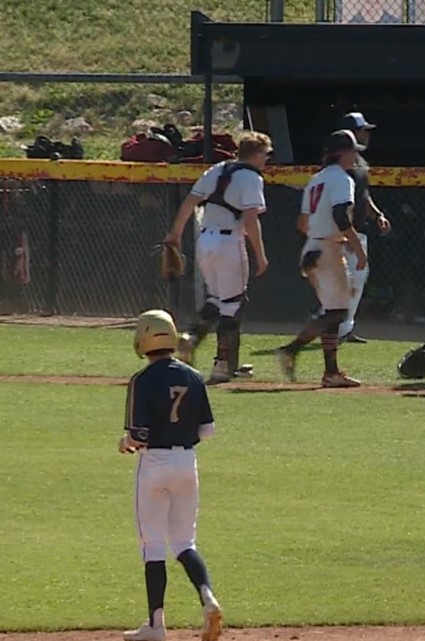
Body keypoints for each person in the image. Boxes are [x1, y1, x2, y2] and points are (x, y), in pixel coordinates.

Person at [120, 310, 223, 641]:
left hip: (155, 466)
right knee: (184, 543)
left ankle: (156, 625)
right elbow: (207, 431)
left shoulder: (142, 379)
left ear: (143, 340)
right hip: (187, 464)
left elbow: (139, 435)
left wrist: (126, 442)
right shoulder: (193, 376)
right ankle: (208, 598)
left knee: (153, 546)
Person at [165, 132, 272, 384]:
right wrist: (261, 254)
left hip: (205, 240)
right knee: (233, 304)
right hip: (229, 241)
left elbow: (190, 201)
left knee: (216, 299)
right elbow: (250, 219)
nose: (267, 159)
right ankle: (222, 365)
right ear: (256, 154)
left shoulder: (218, 169)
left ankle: (191, 337)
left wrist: (175, 234)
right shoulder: (251, 177)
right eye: (266, 154)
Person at [276, 130, 368, 388]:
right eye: (352, 151)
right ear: (341, 153)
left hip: (312, 246)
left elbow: (302, 222)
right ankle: (292, 350)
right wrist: (356, 248)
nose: (355, 156)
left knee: (332, 311)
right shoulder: (342, 179)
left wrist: (319, 237)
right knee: (337, 312)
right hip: (327, 249)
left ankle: (331, 372)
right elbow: (341, 215)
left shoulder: (316, 180)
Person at [327, 112, 392, 344]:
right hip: (342, 233)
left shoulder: (359, 163)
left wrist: (377, 215)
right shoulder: (339, 167)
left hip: (358, 230)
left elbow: (363, 195)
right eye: (362, 129)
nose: (366, 133)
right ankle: (333, 326)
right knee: (343, 281)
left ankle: (345, 327)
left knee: (357, 279)